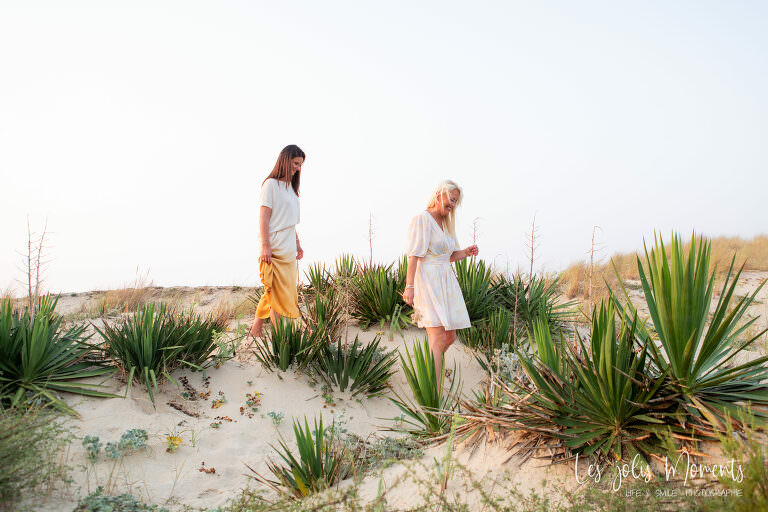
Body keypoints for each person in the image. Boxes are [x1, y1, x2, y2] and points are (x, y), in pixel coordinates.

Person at [402, 180, 478, 376]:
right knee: (436, 336)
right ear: (439, 195)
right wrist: (409, 287)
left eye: (455, 202)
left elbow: (449, 256)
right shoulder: (423, 219)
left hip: (447, 282)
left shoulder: (446, 224)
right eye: (451, 199)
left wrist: (466, 252)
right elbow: (414, 255)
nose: (452, 205)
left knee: (450, 336)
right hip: (428, 281)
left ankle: (427, 370)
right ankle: (433, 392)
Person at [249, 145, 305, 338]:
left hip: (288, 246)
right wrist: (265, 244)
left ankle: (256, 330)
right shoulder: (270, 185)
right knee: (272, 289)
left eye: (300, 165)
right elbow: (264, 216)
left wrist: (297, 243)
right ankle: (275, 334)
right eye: (296, 163)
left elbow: (290, 221)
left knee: (281, 292)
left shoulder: (291, 188)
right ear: (286, 160)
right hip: (273, 245)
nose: (298, 168)